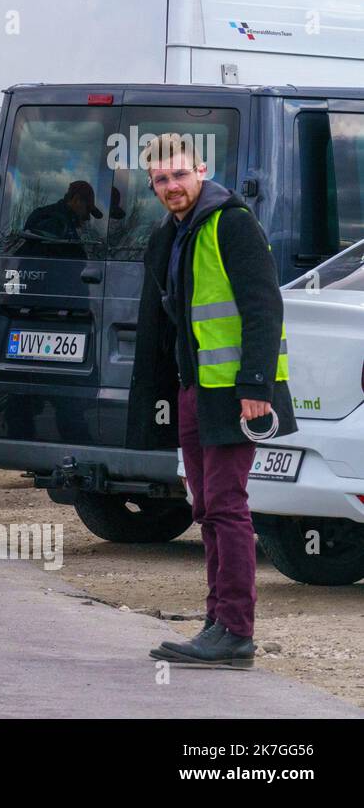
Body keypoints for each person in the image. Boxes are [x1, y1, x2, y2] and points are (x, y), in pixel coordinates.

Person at [129, 134, 296, 669]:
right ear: (151, 185)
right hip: (195, 391)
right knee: (204, 508)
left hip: (234, 394)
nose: (172, 186)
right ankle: (216, 621)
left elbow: (263, 307)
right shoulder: (173, 231)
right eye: (161, 180)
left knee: (226, 506)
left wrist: (255, 388)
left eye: (179, 175)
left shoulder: (232, 223)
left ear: (200, 169)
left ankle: (235, 632)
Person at [15, 179, 102, 259]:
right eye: (87, 210)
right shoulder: (59, 225)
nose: (88, 218)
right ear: (76, 200)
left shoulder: (41, 214)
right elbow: (74, 262)